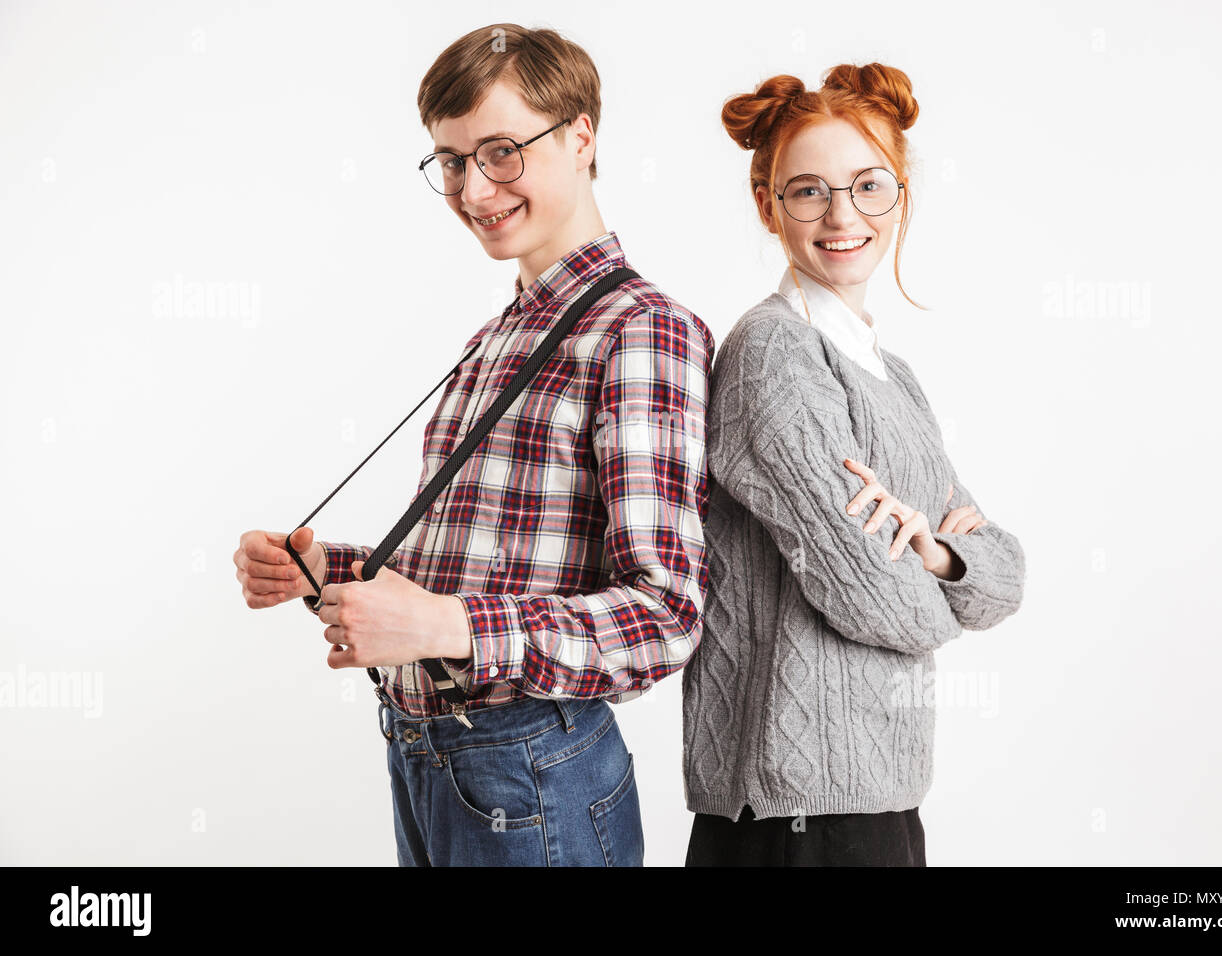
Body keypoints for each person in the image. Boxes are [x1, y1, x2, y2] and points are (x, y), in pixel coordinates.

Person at [232, 23, 714, 867]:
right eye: (451, 161)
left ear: (580, 136)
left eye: (499, 151)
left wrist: (446, 623)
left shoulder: (643, 332)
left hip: (530, 769)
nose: (473, 187)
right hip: (432, 758)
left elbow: (665, 614)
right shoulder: (497, 334)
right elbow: (474, 571)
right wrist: (327, 573)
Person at [681, 62, 1026, 866]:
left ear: (900, 193)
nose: (843, 216)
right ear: (768, 206)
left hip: (881, 793)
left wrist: (935, 551)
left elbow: (1006, 573)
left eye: (869, 186)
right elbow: (874, 600)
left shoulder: (889, 373)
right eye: (809, 191)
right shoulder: (773, 356)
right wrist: (938, 588)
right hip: (792, 813)